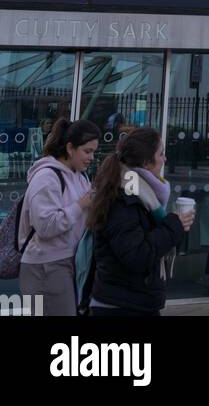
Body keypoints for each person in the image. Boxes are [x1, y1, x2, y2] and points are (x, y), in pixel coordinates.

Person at [87, 127, 194, 317]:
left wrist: (176, 226)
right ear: (146, 163)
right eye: (161, 154)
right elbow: (136, 255)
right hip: (120, 306)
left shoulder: (140, 193)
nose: (165, 159)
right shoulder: (124, 199)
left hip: (133, 301)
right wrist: (173, 226)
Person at [18, 117, 100, 316]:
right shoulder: (46, 177)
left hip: (66, 262)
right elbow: (46, 227)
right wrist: (81, 204)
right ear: (70, 148)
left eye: (94, 152)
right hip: (45, 266)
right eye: (87, 151)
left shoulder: (80, 176)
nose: (91, 157)